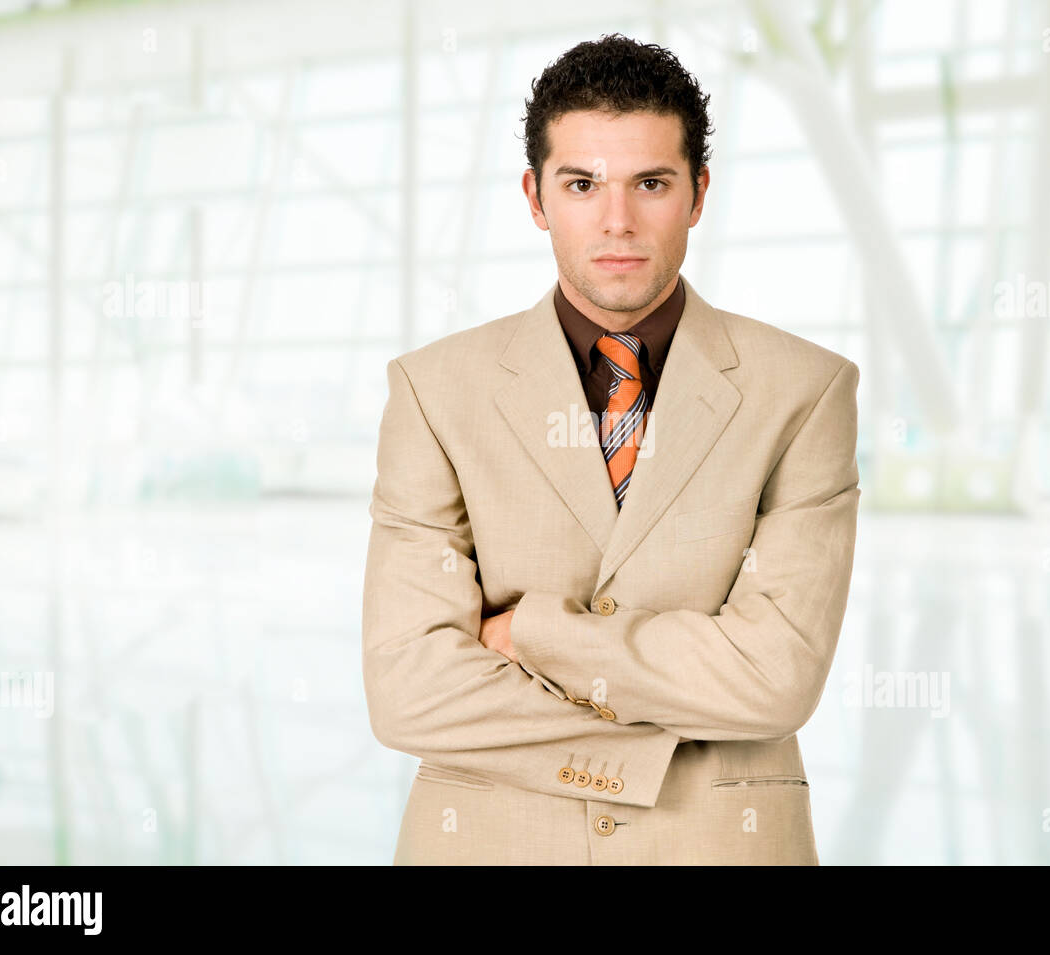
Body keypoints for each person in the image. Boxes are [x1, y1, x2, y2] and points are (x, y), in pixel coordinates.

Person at [363, 33, 860, 865]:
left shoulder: (805, 391)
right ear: (535, 195)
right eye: (583, 184)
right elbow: (408, 692)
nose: (617, 220)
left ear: (698, 194)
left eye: (652, 183)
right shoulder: (433, 389)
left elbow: (774, 678)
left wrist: (532, 632)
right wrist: (667, 730)